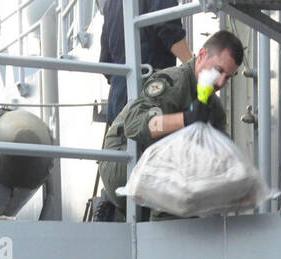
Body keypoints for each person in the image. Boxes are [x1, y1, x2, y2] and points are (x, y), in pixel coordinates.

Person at [99, 29, 244, 220]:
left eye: (228, 77)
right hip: (122, 159)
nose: (221, 81)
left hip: (154, 174)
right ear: (201, 56)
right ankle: (164, 223)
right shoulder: (174, 82)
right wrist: (185, 119)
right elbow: (134, 124)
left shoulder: (213, 108)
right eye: (218, 70)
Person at [99, 0, 192, 125]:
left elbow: (105, 61)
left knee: (120, 144)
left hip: (118, 99)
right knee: (154, 143)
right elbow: (168, 29)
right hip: (151, 94)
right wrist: (193, 66)